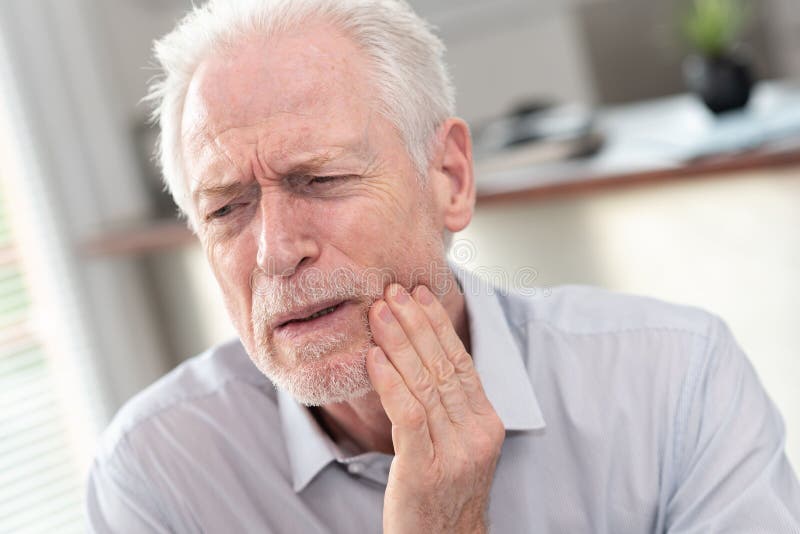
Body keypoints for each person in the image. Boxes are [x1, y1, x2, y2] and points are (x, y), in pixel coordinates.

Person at [86, 0, 800, 532]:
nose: (275, 250)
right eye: (225, 209)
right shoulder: (157, 474)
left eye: (320, 180)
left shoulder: (672, 383)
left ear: (450, 178)